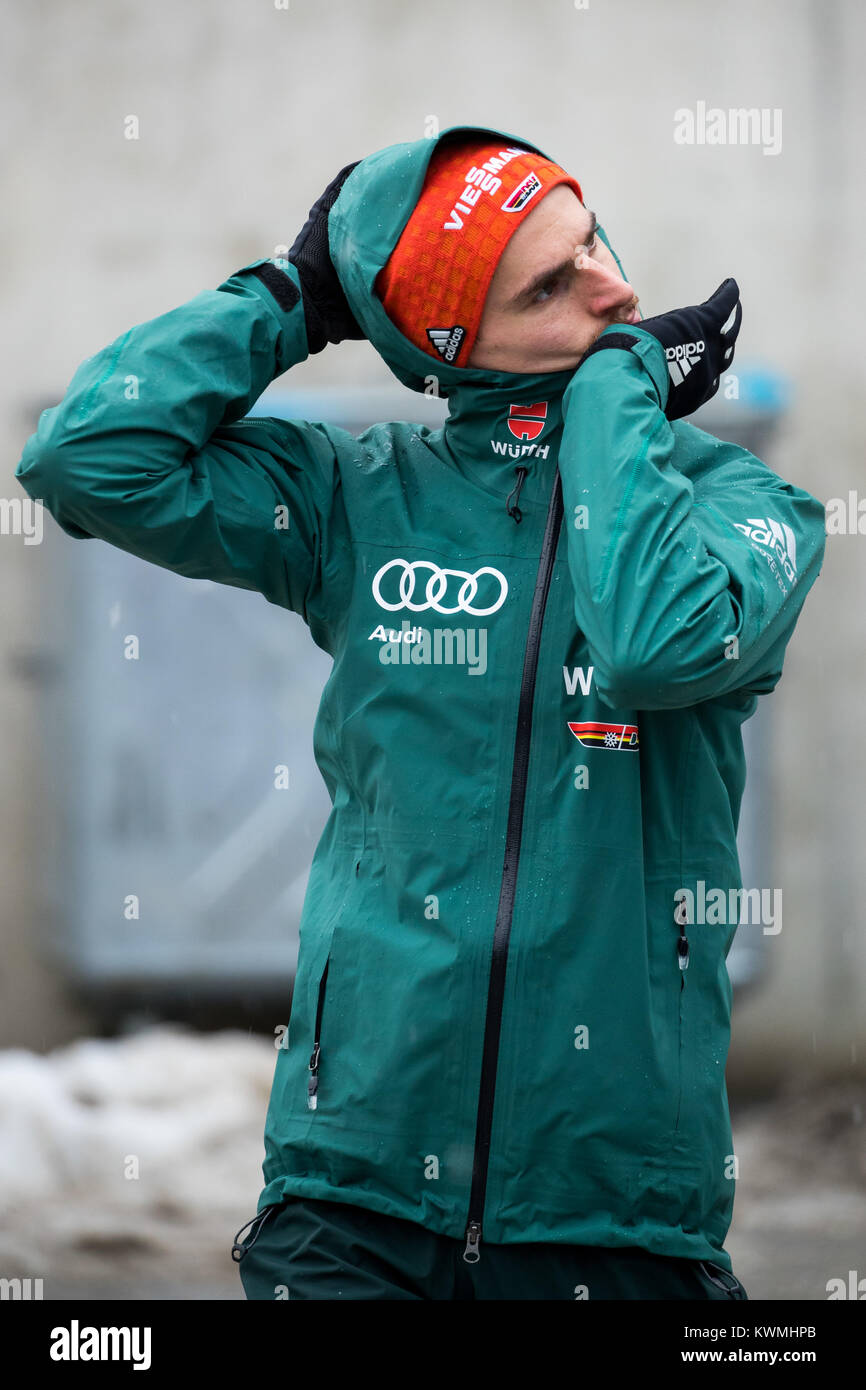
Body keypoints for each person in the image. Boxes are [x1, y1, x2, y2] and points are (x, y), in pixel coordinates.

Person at [15, 124, 826, 1301]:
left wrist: (608, 395)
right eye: (549, 286)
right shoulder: (360, 497)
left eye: (590, 235)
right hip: (349, 1200)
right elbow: (87, 461)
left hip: (613, 1217)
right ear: (458, 349)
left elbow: (656, 642)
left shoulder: (744, 502)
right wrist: (294, 299)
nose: (618, 288)